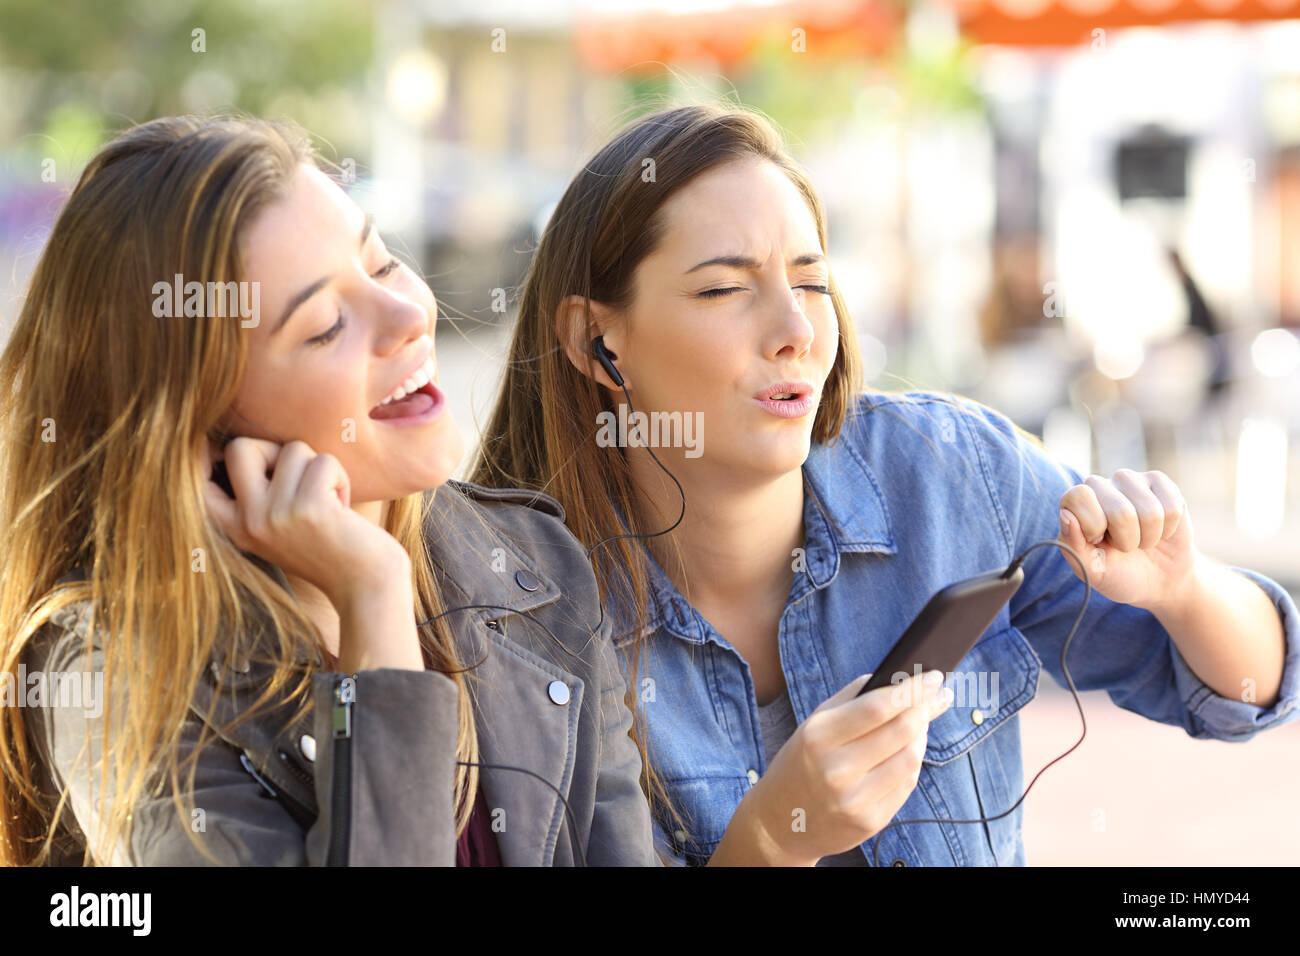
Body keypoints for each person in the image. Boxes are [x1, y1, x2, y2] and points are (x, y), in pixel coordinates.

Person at [471, 103, 1300, 866]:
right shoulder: (517, 615)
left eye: (809, 280)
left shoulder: (948, 472)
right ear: (595, 342)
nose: (795, 331)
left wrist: (1185, 589)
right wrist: (774, 834)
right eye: (723, 288)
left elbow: (1248, 693)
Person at [0, 114, 658, 866]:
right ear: (206, 435)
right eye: (323, 326)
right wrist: (373, 597)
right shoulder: (124, 678)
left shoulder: (538, 566)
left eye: (381, 266)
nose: (409, 316)